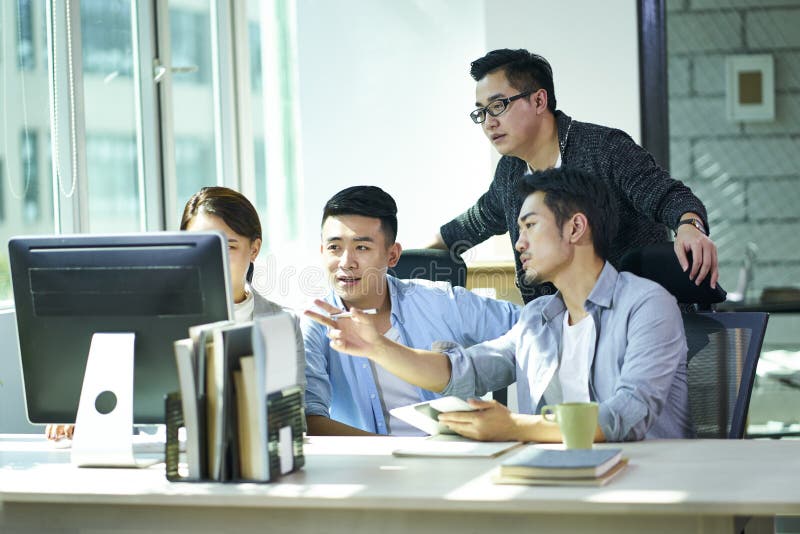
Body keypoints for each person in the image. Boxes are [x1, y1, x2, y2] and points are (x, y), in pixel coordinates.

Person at [307, 168, 693, 443]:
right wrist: (377, 346)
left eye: (529, 226)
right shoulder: (539, 319)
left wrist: (516, 427)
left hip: (643, 488)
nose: (519, 242)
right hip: (559, 491)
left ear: (575, 228)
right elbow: (464, 371)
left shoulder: (646, 305)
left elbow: (626, 416)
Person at [429, 48, 718, 303]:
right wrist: (399, 256)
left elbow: (668, 196)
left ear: (539, 100)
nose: (489, 123)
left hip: (632, 321)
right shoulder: (511, 171)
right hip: (559, 331)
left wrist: (689, 224)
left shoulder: (603, 149)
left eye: (498, 106)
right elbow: (474, 222)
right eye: (481, 112)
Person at [46, 186, 304, 442]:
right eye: (202, 246)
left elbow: (293, 415)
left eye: (228, 246)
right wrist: (82, 413)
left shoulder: (282, 322)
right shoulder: (153, 315)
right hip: (167, 456)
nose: (215, 259)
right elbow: (114, 396)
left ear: (254, 249)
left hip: (249, 456)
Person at [302, 185, 520, 436]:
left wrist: (473, 366)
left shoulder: (440, 300)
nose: (345, 262)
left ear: (392, 256)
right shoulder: (315, 323)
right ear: (321, 252)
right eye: (334, 247)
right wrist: (394, 451)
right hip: (372, 466)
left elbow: (532, 326)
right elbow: (310, 419)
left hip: (454, 458)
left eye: (362, 248)